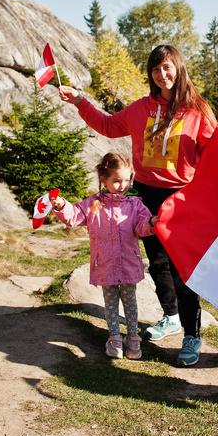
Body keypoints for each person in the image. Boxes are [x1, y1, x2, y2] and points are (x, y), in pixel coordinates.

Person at [58, 44, 217, 366]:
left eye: (168, 68)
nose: (162, 75)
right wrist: (79, 101)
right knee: (157, 262)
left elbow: (215, 151)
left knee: (181, 267)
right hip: (144, 193)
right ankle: (170, 316)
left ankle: (192, 335)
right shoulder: (140, 108)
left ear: (179, 69)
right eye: (156, 70)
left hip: (181, 196)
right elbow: (106, 126)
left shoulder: (197, 110)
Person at [52, 153, 157, 360]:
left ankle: (133, 338)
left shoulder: (135, 204)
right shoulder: (93, 204)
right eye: (116, 181)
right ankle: (115, 338)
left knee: (130, 301)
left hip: (128, 262)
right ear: (104, 180)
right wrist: (62, 206)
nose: (122, 185)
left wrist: (152, 223)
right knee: (110, 303)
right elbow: (74, 217)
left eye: (127, 180)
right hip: (106, 264)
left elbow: (141, 226)